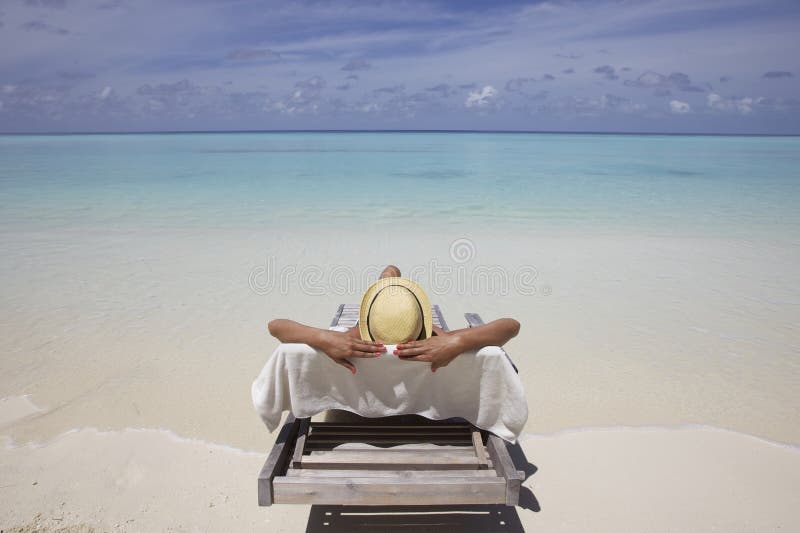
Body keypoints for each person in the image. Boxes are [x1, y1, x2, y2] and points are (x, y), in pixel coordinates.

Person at [267, 265, 520, 374]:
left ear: (367, 316)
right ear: (420, 316)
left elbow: (276, 326)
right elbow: (510, 326)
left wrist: (323, 338)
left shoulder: (350, 341)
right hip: (424, 392)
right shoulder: (437, 341)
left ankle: (386, 289)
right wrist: (457, 342)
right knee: (391, 272)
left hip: (363, 358)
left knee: (389, 271)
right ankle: (390, 288)